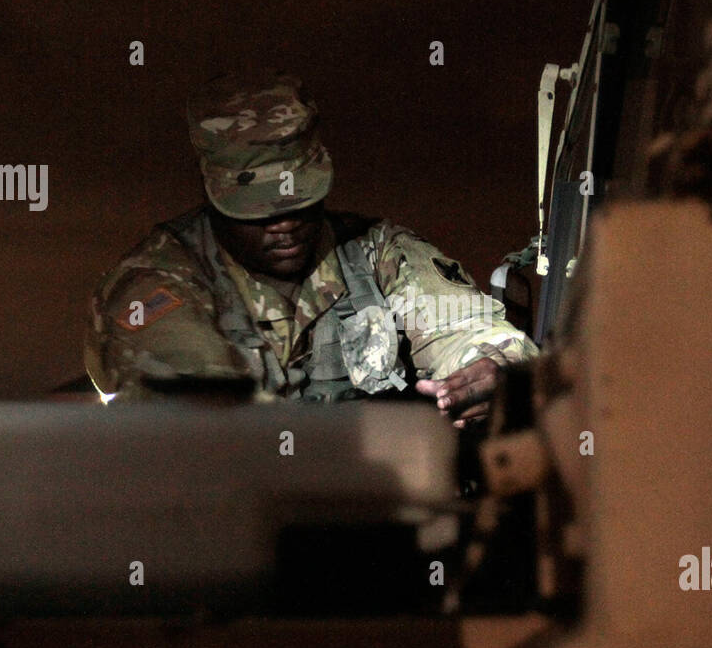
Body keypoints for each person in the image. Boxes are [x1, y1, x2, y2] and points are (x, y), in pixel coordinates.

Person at [84, 72, 537, 426]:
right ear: (211, 195)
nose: (284, 225)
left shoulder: (378, 253)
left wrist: (490, 367)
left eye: (301, 203)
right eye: (257, 211)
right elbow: (196, 408)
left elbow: (463, 327)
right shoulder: (159, 281)